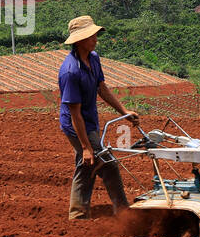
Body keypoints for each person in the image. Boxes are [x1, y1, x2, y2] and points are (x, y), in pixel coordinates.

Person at [58, 15, 139, 220]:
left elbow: (102, 88)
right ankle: (122, 211)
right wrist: (85, 146)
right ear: (79, 40)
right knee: (107, 163)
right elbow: (75, 113)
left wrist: (124, 112)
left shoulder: (93, 59)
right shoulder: (71, 71)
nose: (95, 39)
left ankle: (78, 214)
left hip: (90, 121)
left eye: (95, 35)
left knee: (88, 164)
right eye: (91, 36)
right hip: (75, 125)